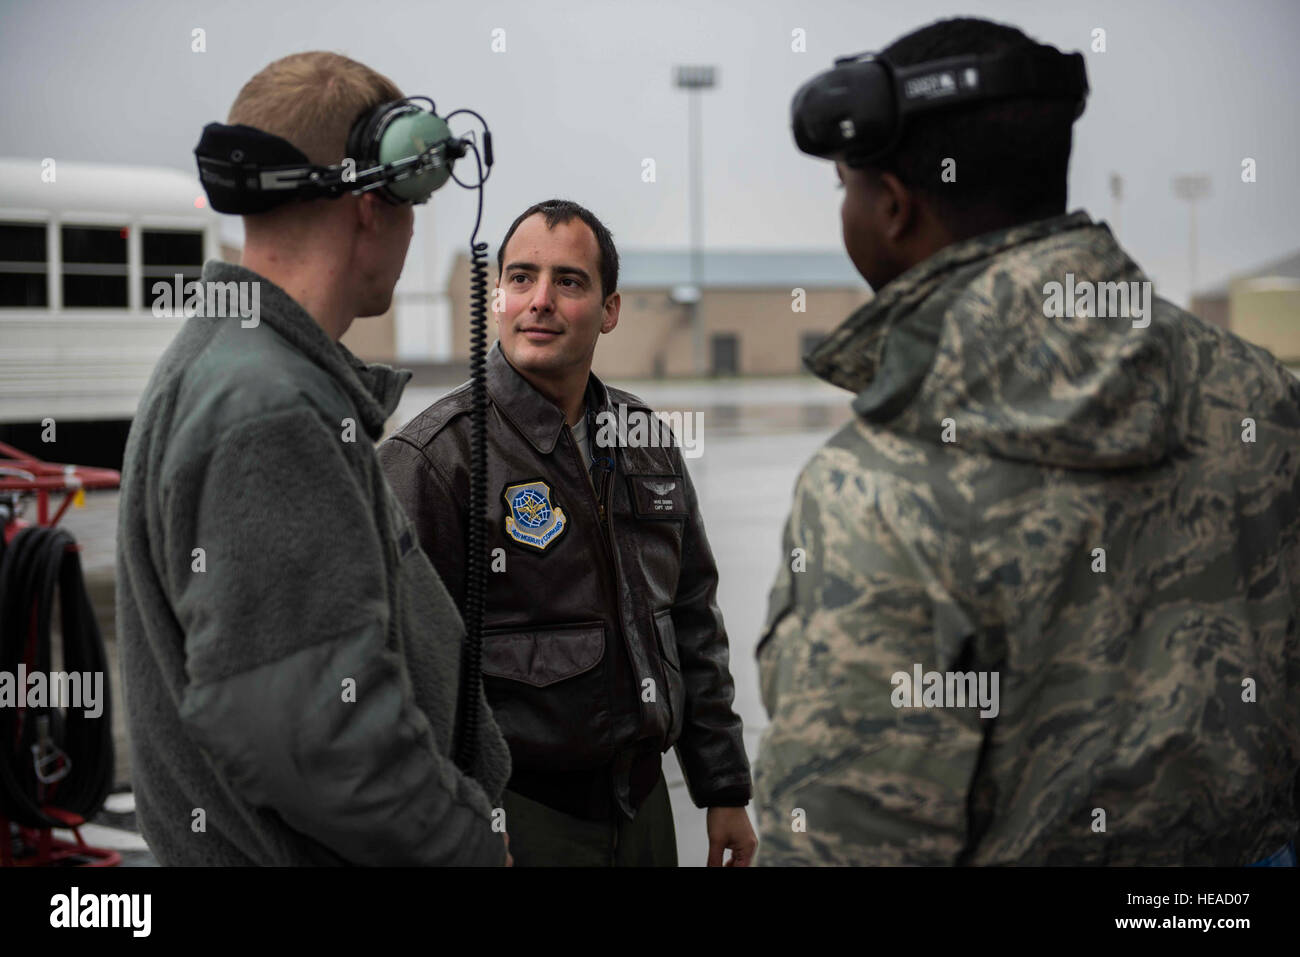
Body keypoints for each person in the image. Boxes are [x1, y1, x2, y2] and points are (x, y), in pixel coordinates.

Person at [754, 17, 1300, 865]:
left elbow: (845, 840)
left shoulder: (878, 489)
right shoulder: (1264, 397)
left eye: (845, 189)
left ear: (894, 207)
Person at [116, 51, 511, 865]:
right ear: (372, 204)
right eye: (414, 200)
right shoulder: (266, 408)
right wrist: (464, 844)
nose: (413, 228)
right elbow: (314, 736)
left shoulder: (244, 366)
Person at [378, 199, 757, 866]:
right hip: (519, 819)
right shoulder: (437, 458)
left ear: (610, 309)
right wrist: (450, 824)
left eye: (569, 282)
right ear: (496, 294)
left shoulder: (643, 438)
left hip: (644, 811)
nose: (540, 300)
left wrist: (723, 785)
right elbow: (400, 671)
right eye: (521, 277)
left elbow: (693, 617)